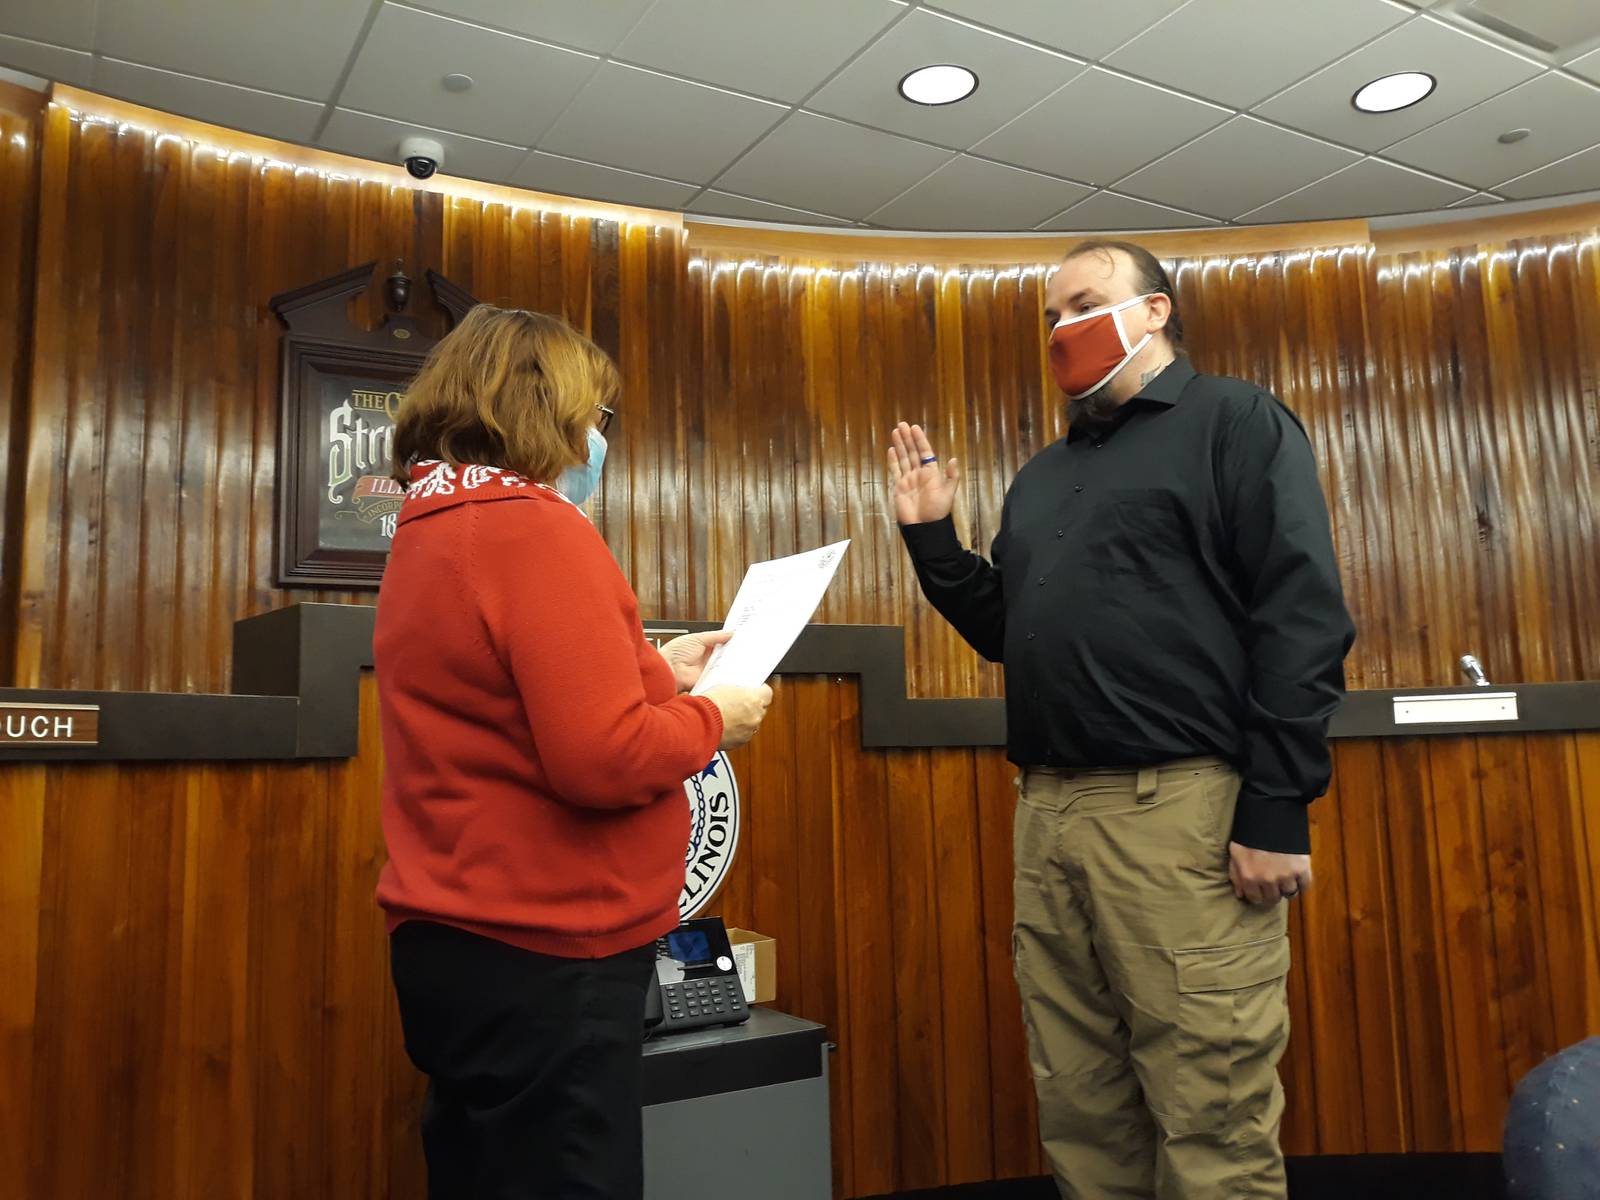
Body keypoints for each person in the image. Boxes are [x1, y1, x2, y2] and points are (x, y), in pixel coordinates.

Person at [889, 241, 1355, 1199]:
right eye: (1051, 314)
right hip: (1049, 813)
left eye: (1085, 303)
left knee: (1210, 1108)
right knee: (1082, 1106)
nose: (1063, 328)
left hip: (1180, 812)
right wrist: (933, 538)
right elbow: (1011, 632)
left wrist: (1276, 807)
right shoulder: (1043, 474)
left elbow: (1301, 615)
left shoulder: (1235, 421)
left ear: (1154, 312)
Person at [373, 304, 773, 1200]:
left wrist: (660, 670)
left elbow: (498, 700)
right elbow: (602, 759)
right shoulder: (538, 527)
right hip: (551, 950)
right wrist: (714, 716)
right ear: (543, 408)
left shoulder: (433, 525)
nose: (599, 438)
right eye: (597, 414)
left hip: (455, 942)